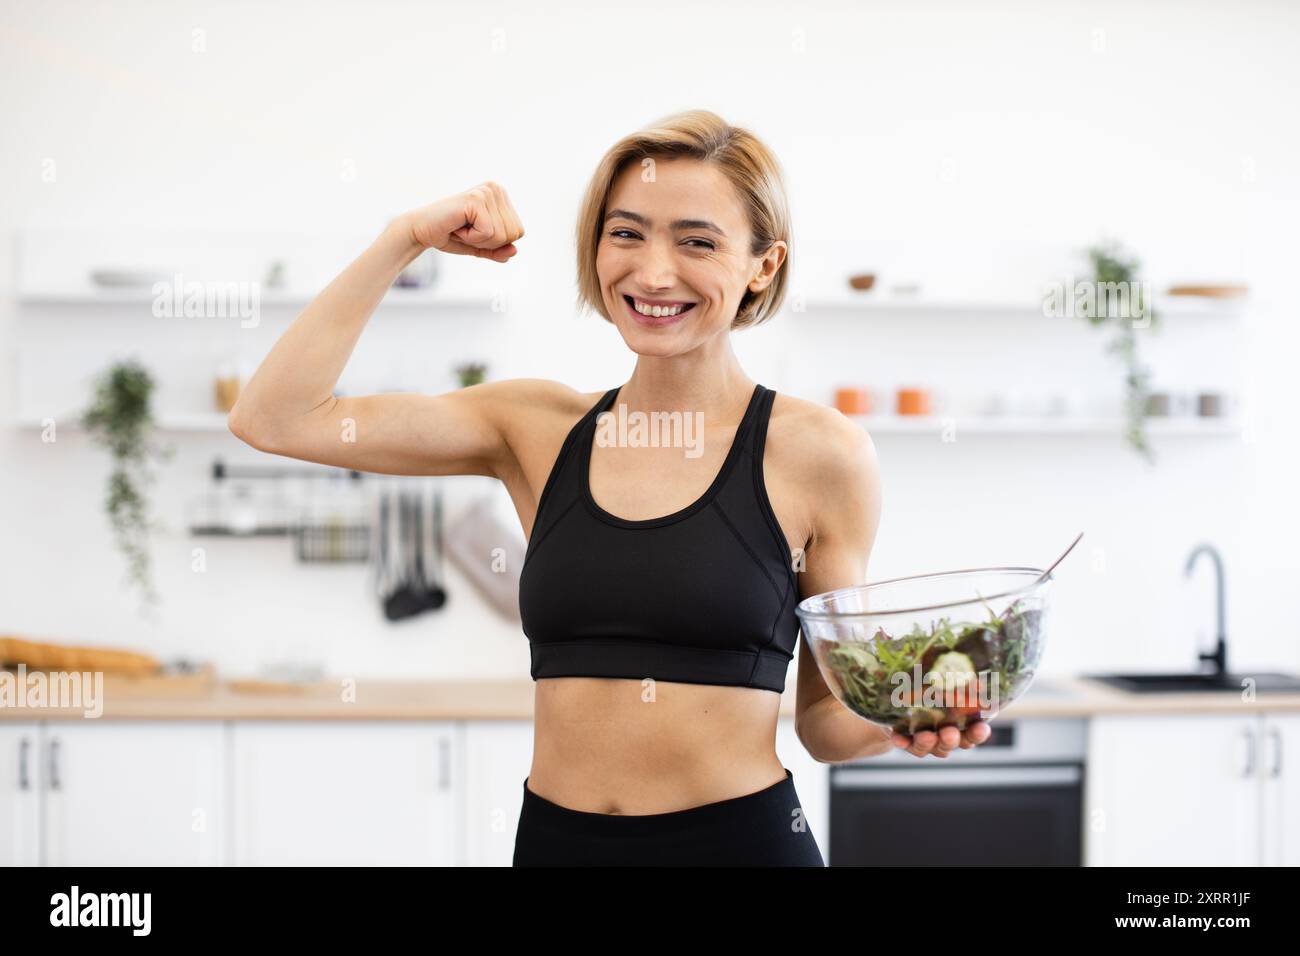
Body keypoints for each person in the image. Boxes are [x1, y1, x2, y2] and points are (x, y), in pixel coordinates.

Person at [228, 109, 992, 867]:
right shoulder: (531, 429)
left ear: (764, 265)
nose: (653, 272)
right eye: (626, 233)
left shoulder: (821, 455)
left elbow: (825, 722)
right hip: (558, 849)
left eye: (697, 241)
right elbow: (275, 417)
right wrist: (405, 237)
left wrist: (910, 718)